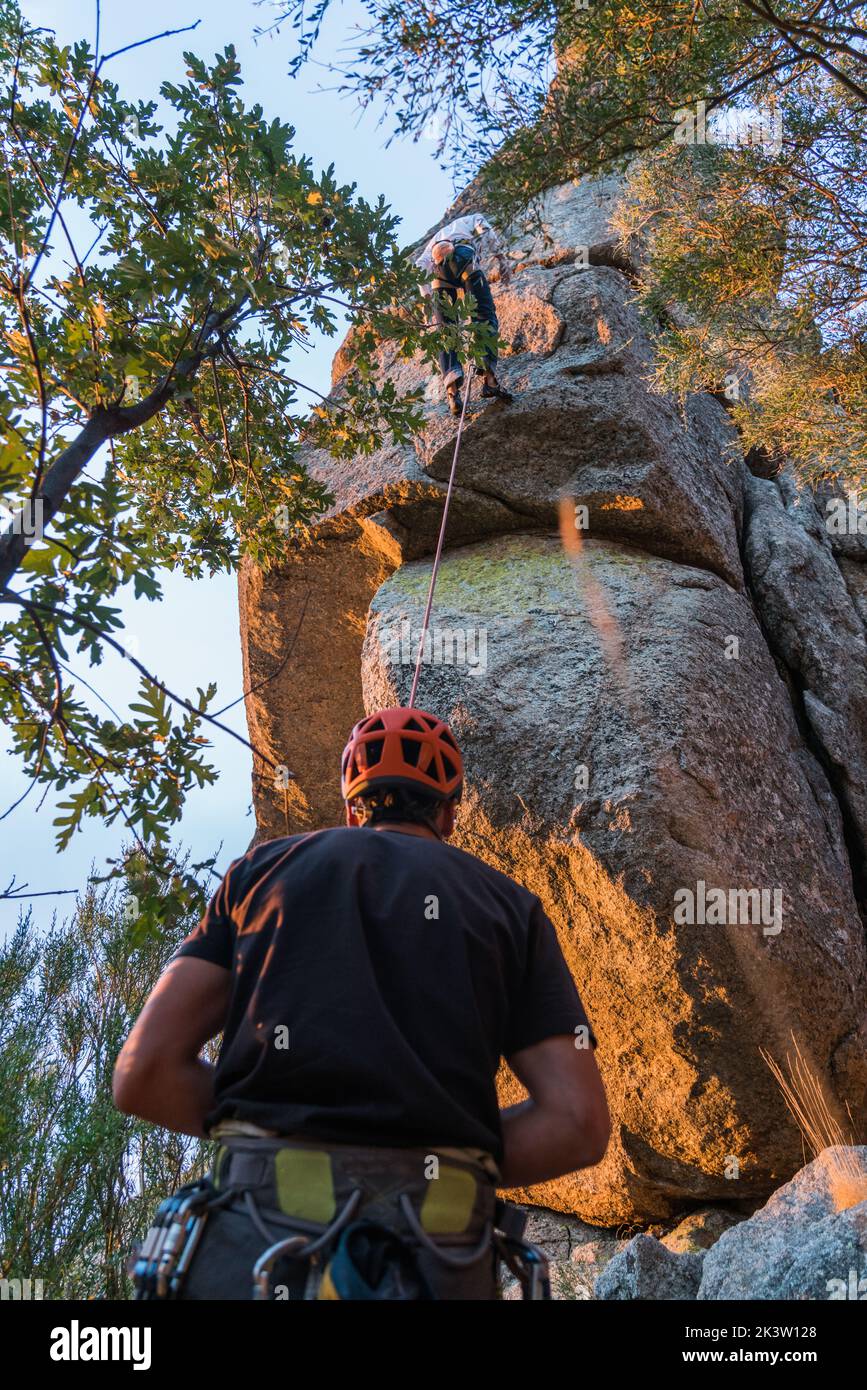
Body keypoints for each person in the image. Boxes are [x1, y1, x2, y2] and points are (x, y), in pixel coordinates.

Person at [113, 706, 609, 1300]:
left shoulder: (258, 875)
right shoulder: (512, 909)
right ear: (450, 814)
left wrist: (267, 1121)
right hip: (438, 1254)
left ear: (352, 808)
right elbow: (577, 1123)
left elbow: (143, 1073)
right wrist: (443, 1148)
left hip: (257, 1245)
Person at [418, 212, 515, 416]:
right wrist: (501, 258)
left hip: (438, 274)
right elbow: (484, 229)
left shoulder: (432, 243)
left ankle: (452, 392)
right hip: (463, 260)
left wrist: (427, 301)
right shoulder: (470, 219)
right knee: (484, 315)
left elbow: (419, 267)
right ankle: (489, 379)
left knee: (446, 331)